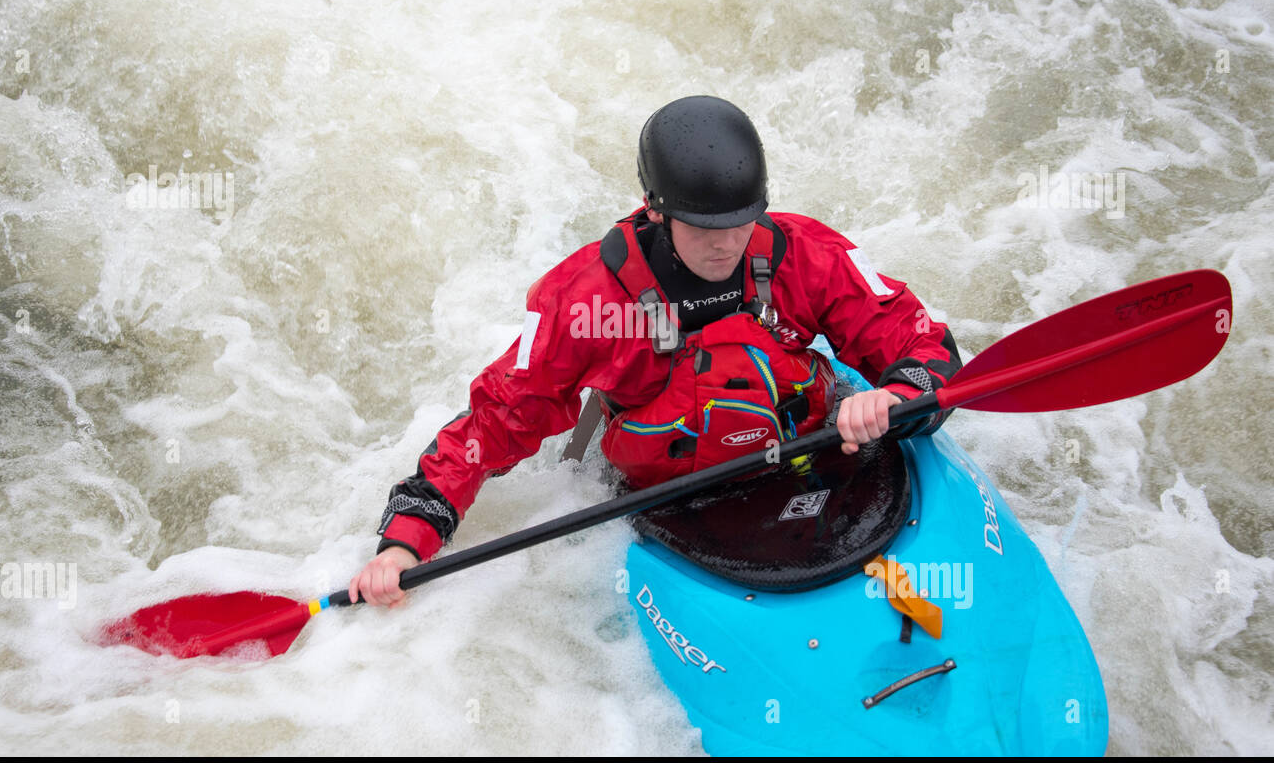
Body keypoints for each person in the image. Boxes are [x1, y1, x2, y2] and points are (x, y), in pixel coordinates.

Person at [350, 96, 961, 607]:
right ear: (656, 211)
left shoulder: (804, 252)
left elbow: (920, 341)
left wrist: (900, 394)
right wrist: (408, 537)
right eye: (703, 228)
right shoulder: (585, 301)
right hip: (678, 497)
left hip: (816, 453)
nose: (725, 246)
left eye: (740, 223)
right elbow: (498, 419)